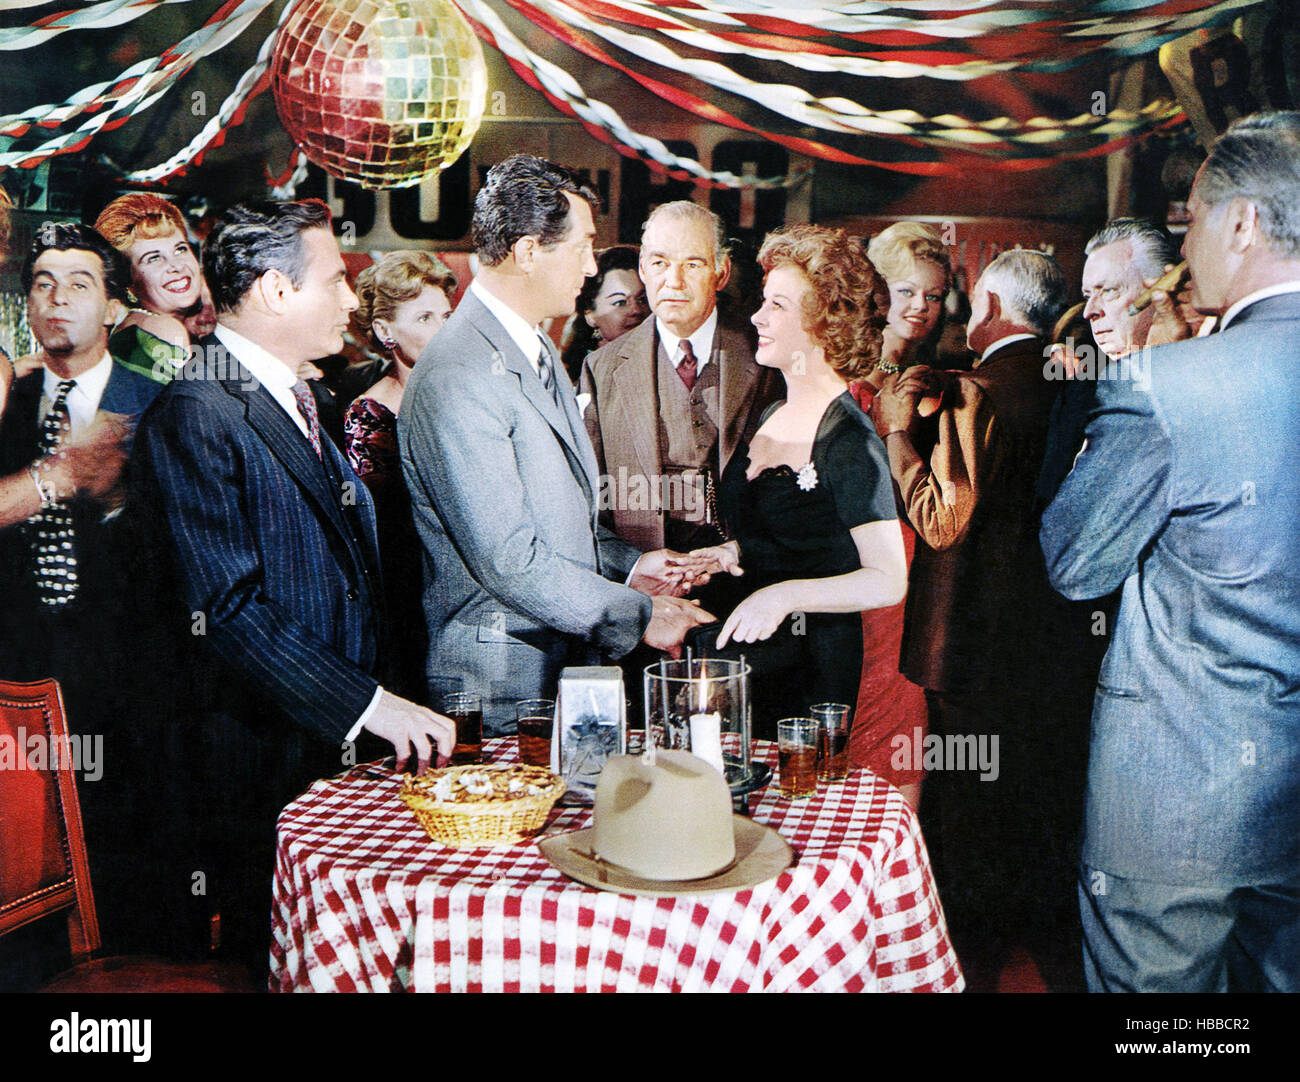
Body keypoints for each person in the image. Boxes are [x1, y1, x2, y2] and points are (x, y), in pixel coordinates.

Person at [130, 200, 455, 968]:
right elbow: (227, 607)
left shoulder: (308, 395)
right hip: (257, 760)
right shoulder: (195, 411)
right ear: (276, 291)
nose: (351, 299)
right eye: (335, 280)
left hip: (322, 745)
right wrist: (370, 704)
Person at [1041, 113, 1300, 993]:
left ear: (1241, 224)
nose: (1183, 242)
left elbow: (1076, 563)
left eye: (1189, 219)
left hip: (1174, 799)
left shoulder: (1169, 384)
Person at [399, 155, 715, 733]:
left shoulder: (536, 350)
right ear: (526, 253)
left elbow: (562, 520)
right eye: (581, 247)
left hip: (557, 665)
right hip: (498, 686)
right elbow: (510, 559)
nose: (591, 266)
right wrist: (639, 614)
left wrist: (632, 565)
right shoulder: (460, 372)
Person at [873, 248, 1083, 990]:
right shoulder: (1070, 382)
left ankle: (963, 963)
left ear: (989, 306)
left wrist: (897, 432)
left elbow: (940, 519)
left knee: (966, 830)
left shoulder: (976, 389)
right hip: (1047, 646)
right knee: (1028, 815)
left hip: (967, 650)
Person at [0, 223, 163, 952]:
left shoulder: (160, 404)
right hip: (22, 666)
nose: (58, 298)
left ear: (113, 310)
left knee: (126, 849)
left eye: (79, 284)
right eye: (43, 283)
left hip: (127, 664)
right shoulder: (10, 398)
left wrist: (121, 498)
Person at [685, 225, 907, 738]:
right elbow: (798, 538)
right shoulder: (771, 412)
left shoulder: (850, 439)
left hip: (811, 668)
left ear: (823, 321)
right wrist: (732, 552)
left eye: (778, 306)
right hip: (746, 655)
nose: (758, 317)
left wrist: (784, 597)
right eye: (764, 302)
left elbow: (887, 579)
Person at [581, 201, 780, 553]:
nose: (673, 281)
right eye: (659, 263)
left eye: (693, 264)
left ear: (721, 273)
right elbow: (588, 506)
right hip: (651, 585)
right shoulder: (600, 369)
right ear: (643, 268)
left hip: (748, 578)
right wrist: (633, 569)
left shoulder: (768, 356)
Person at [344, 250, 457, 698]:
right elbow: (385, 538)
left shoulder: (472, 393)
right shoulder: (370, 414)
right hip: (412, 609)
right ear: (385, 331)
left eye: (446, 316)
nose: (443, 330)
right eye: (425, 317)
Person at [93, 192, 203, 381]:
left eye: (180, 249)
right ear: (128, 283)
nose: (176, 266)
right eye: (154, 258)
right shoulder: (164, 329)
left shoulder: (132, 327)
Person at [866, 222, 951, 372]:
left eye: (933, 297)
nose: (921, 305)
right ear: (878, 291)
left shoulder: (930, 376)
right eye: (907, 292)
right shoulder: (851, 372)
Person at [560, 244, 647, 381]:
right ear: (590, 316)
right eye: (620, 302)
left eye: (642, 299)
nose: (636, 310)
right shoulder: (587, 377)